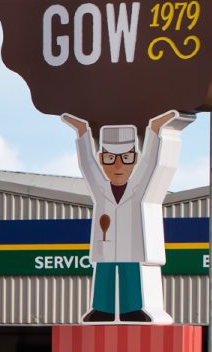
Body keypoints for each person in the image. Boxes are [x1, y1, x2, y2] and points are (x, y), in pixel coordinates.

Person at [62, 109, 193, 323]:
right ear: (102, 159)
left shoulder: (139, 188)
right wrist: (82, 133)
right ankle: (102, 309)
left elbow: (152, 164)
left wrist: (155, 132)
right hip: (106, 245)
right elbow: (87, 165)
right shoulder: (100, 188)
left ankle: (133, 309)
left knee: (132, 277)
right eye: (110, 159)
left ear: (134, 160)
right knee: (104, 276)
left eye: (125, 158)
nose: (117, 165)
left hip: (133, 246)